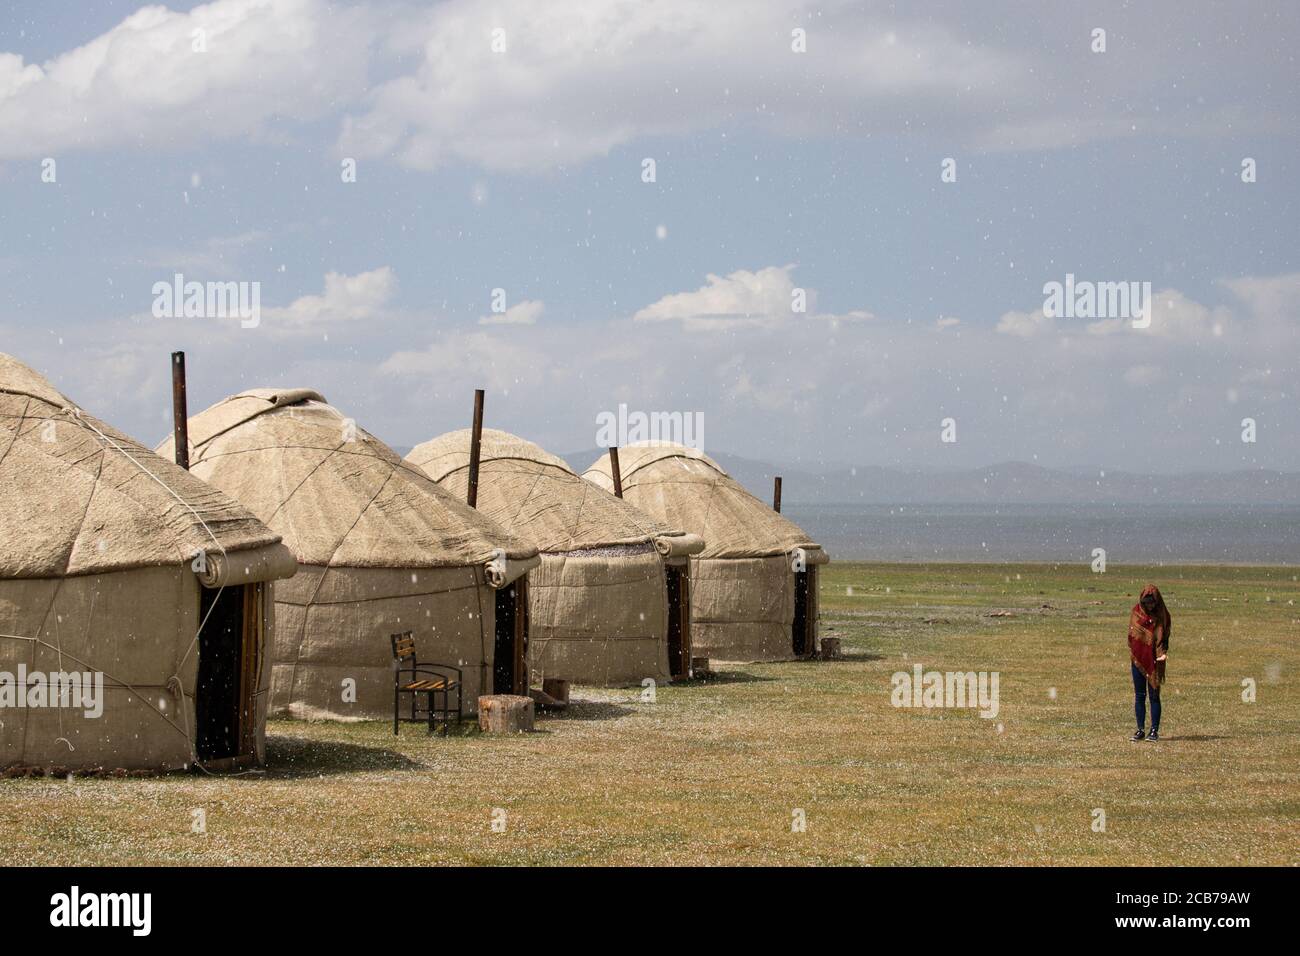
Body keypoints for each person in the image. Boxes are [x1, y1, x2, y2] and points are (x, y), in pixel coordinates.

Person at [1127, 584, 1170, 741]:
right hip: (1138, 659)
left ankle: (1154, 731)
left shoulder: (1162, 615)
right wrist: (1137, 651)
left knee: (1154, 696)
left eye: (1152, 602)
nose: (1149, 606)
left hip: (1155, 660)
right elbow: (1132, 635)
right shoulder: (1136, 612)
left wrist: (1161, 653)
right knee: (1139, 695)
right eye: (1146, 603)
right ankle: (1140, 730)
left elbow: (1163, 638)